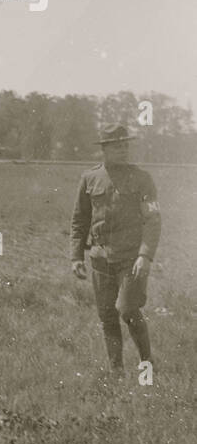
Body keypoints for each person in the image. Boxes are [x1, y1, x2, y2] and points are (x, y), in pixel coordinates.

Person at [70, 124, 161, 377]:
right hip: (100, 258)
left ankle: (147, 363)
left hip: (131, 259)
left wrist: (145, 255)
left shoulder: (142, 179)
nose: (123, 150)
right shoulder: (89, 178)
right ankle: (116, 372)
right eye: (117, 146)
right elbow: (80, 219)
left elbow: (153, 219)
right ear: (104, 149)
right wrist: (76, 256)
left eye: (126, 145)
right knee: (107, 316)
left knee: (127, 309)